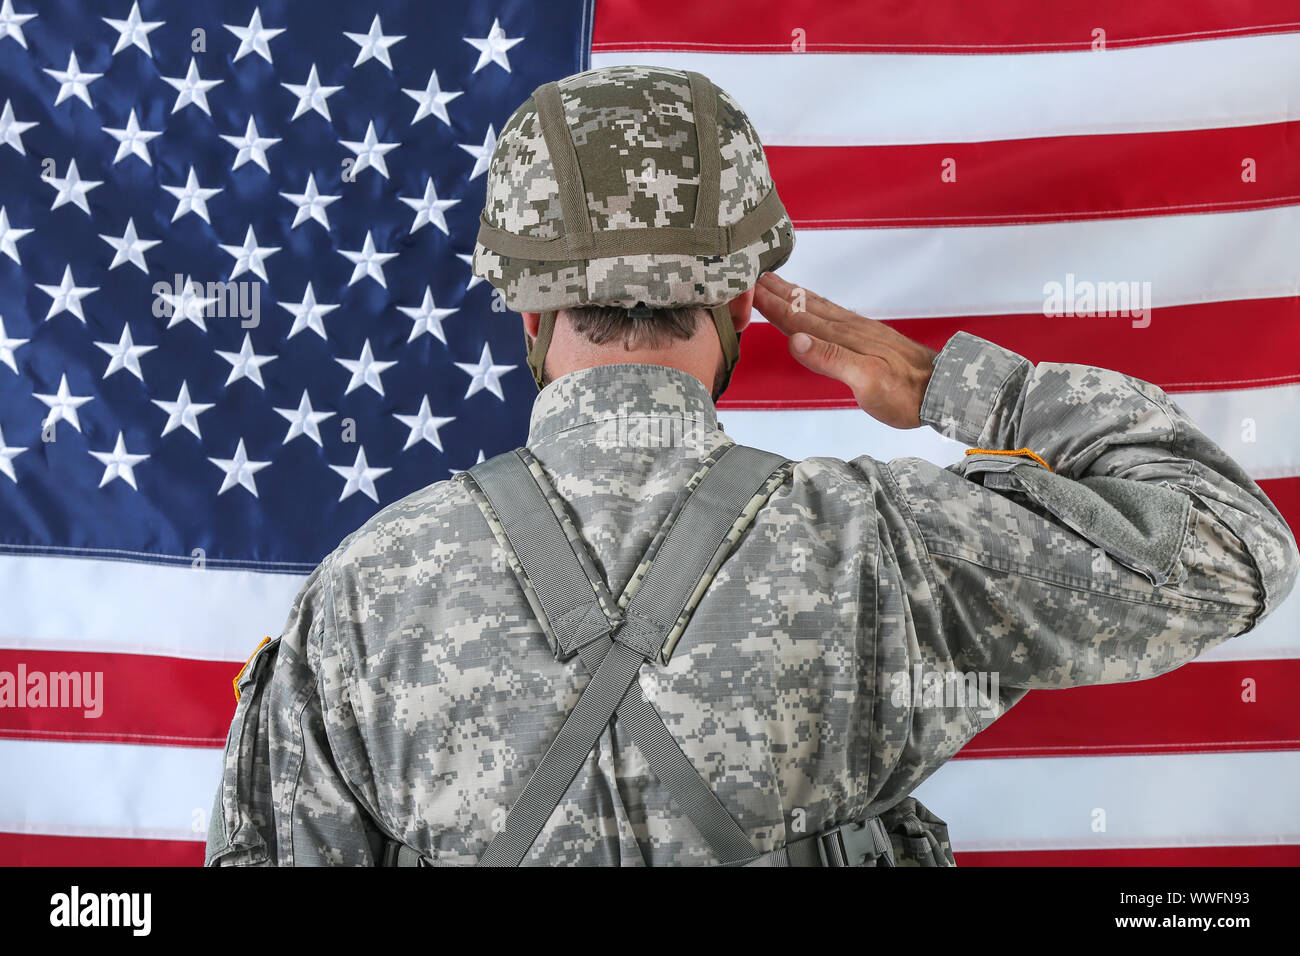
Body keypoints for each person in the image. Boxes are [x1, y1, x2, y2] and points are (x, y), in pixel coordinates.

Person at [205, 65, 1298, 867]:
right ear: (739, 301)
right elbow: (1229, 543)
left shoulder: (362, 594)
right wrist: (964, 390)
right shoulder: (884, 542)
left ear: (528, 305)